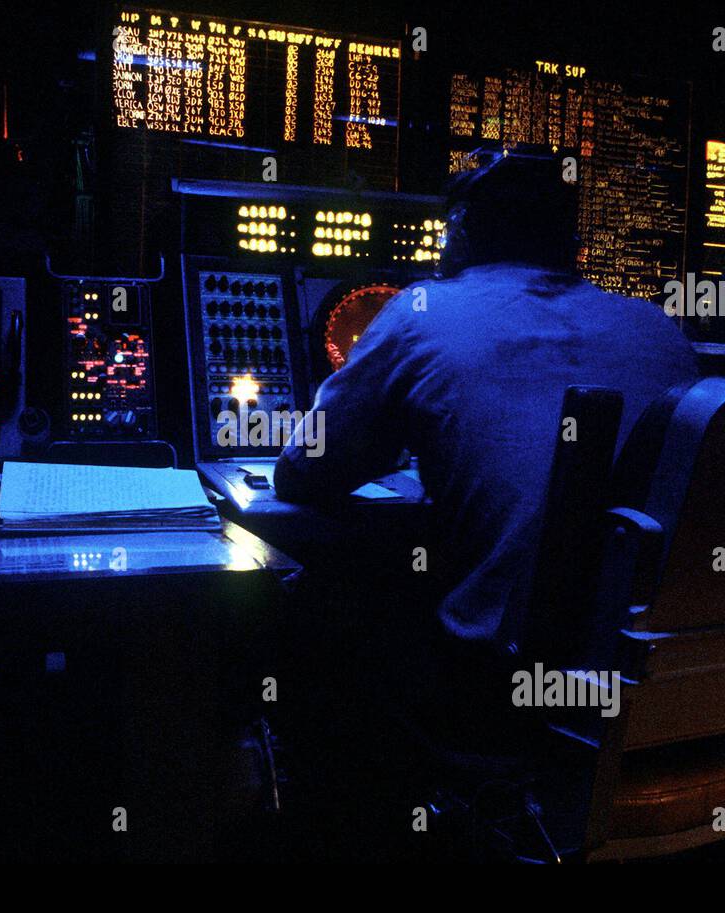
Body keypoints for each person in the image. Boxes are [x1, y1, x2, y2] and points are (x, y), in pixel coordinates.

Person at [274, 147, 700, 658]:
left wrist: (390, 444)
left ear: (462, 230)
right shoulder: (659, 328)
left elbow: (304, 471)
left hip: (500, 674)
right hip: (654, 670)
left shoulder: (420, 310)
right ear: (574, 245)